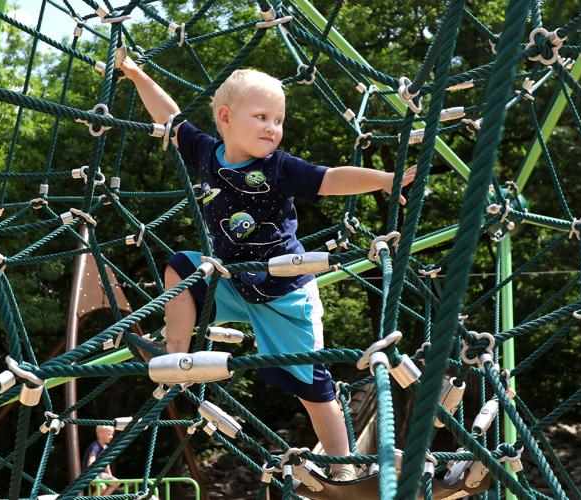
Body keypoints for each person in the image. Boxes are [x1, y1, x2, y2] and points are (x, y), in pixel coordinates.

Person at [120, 58, 414, 482]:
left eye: (278, 120)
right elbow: (170, 117)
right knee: (180, 266)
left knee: (313, 387)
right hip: (234, 282)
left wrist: (383, 179)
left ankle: (344, 466)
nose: (272, 128)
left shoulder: (277, 167)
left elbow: (329, 178)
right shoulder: (205, 153)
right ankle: (175, 354)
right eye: (261, 117)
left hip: (284, 294)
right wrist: (137, 74)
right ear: (225, 118)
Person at [84, 425, 121, 495]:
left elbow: (106, 464)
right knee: (102, 486)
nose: (112, 436)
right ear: (100, 434)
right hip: (90, 473)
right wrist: (90, 476)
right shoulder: (95, 446)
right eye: (109, 434)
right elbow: (90, 461)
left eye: (112, 434)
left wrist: (110, 476)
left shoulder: (106, 448)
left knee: (116, 483)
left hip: (100, 473)